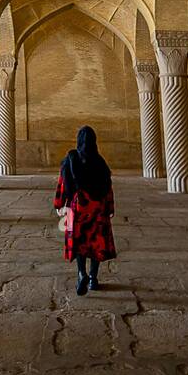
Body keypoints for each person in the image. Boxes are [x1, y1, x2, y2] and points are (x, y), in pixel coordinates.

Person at [53, 125, 116, 296]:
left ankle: (81, 274)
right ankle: (93, 279)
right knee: (97, 243)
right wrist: (110, 207)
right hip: (98, 209)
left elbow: (63, 184)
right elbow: (108, 187)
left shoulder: (71, 159)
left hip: (78, 208)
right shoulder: (100, 162)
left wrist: (60, 204)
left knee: (80, 243)